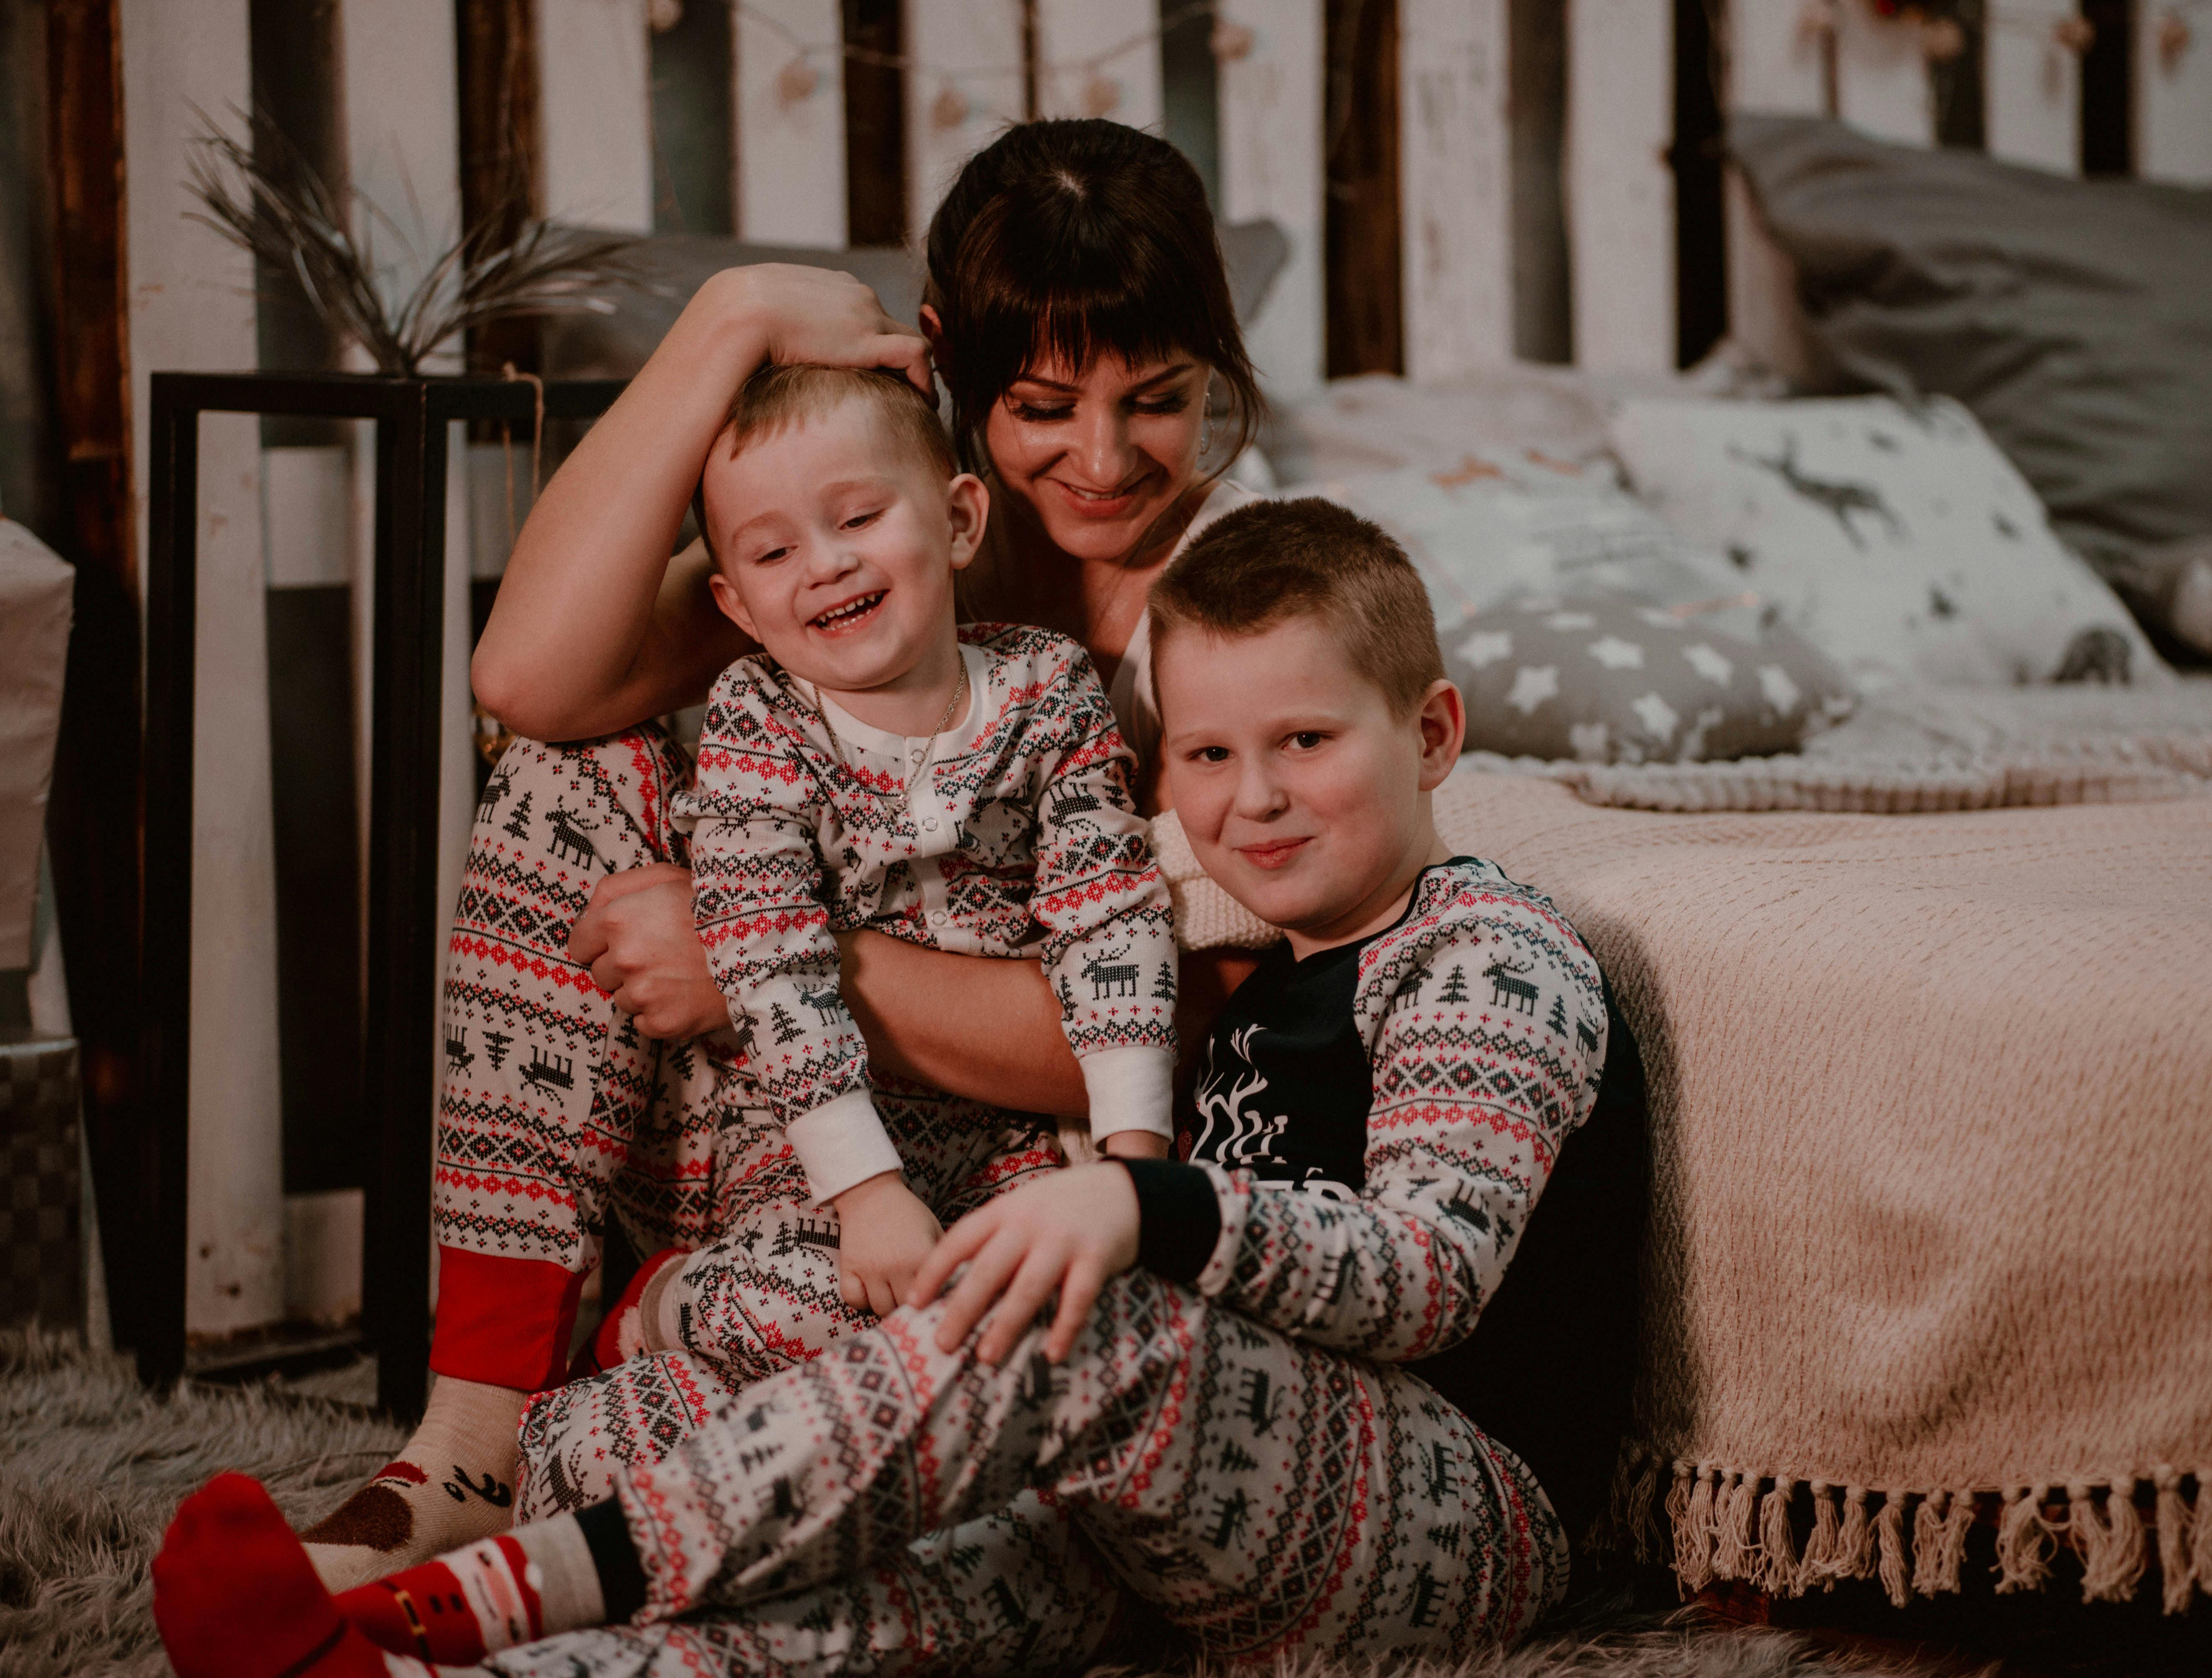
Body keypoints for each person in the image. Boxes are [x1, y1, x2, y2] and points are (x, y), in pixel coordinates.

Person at [151, 498, 1650, 1678]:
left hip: (1457, 1516)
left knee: (1084, 1321)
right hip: (1203, 1481)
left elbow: (1431, 1278)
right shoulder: (1258, 978)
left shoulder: (1482, 950)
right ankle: (418, 1669)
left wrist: (1148, 1203)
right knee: (882, 1576)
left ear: (1432, 733)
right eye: (1207, 752)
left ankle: (466, 1600)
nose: (1251, 797)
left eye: (1305, 743)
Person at [295, 118, 1273, 1591]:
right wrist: (730, 318)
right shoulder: (867, 540)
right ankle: (473, 1430)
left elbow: (1197, 1033)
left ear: (1217, 361)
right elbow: (529, 680)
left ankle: (633, 1388)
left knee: (988, 1346)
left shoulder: (1237, 600)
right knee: (581, 764)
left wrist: (768, 952)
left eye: (1160, 398)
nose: (1102, 458)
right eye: (1040, 405)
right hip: (753, 1128)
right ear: (943, 368)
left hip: (987, 1171)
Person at [599, 360, 1179, 1371]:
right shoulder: (760, 719)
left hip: (1014, 1145)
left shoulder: (1050, 689)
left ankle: (663, 1440)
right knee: (822, 1309)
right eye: (775, 551)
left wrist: (1134, 1178)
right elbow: (767, 960)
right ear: (738, 604)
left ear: (959, 522)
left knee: (1060, 1325)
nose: (822, 564)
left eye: (858, 518)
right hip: (807, 1152)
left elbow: (1112, 919)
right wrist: (865, 1193)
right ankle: (661, 1308)